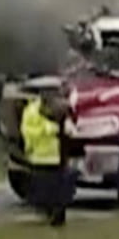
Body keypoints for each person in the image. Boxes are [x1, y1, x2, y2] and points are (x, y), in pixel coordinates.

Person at [20, 88, 74, 227]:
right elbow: (29, 131)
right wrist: (49, 129)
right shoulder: (32, 111)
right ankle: (49, 213)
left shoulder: (60, 108)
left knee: (59, 190)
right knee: (46, 190)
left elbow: (68, 127)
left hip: (57, 157)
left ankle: (58, 215)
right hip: (41, 156)